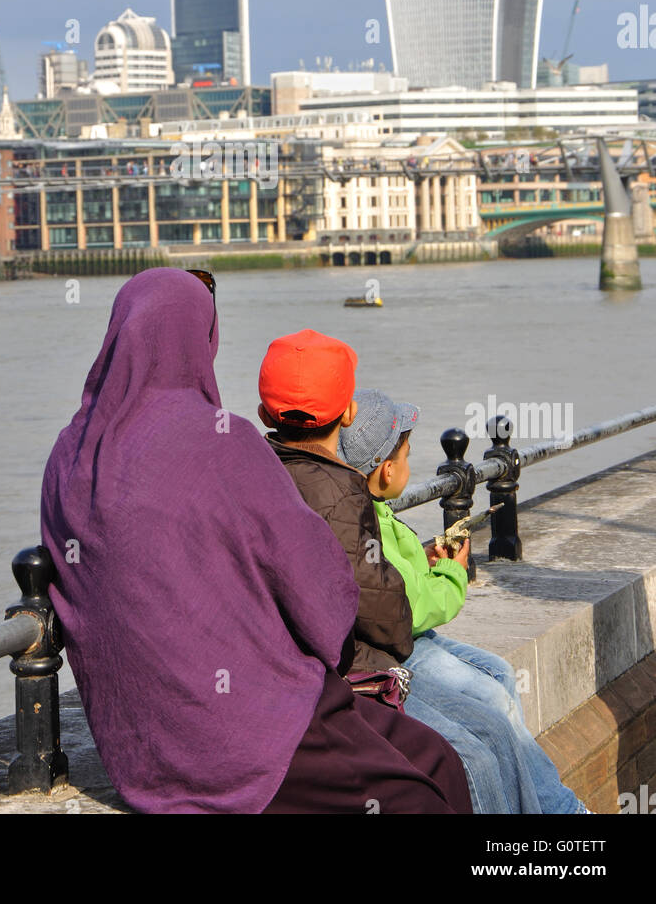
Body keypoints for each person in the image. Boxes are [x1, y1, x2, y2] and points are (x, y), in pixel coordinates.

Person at [40, 269, 471, 815]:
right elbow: (323, 602)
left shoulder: (67, 455)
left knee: (429, 762)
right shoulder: (224, 439)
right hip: (247, 730)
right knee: (428, 784)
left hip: (139, 745)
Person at [334, 386, 589, 814]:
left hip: (407, 638)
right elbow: (411, 606)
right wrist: (453, 573)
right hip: (402, 646)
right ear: (383, 469)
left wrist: (430, 559)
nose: (411, 465)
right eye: (408, 455)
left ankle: (547, 806)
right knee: (491, 709)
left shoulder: (374, 511)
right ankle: (560, 810)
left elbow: (398, 575)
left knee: (502, 675)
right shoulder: (365, 521)